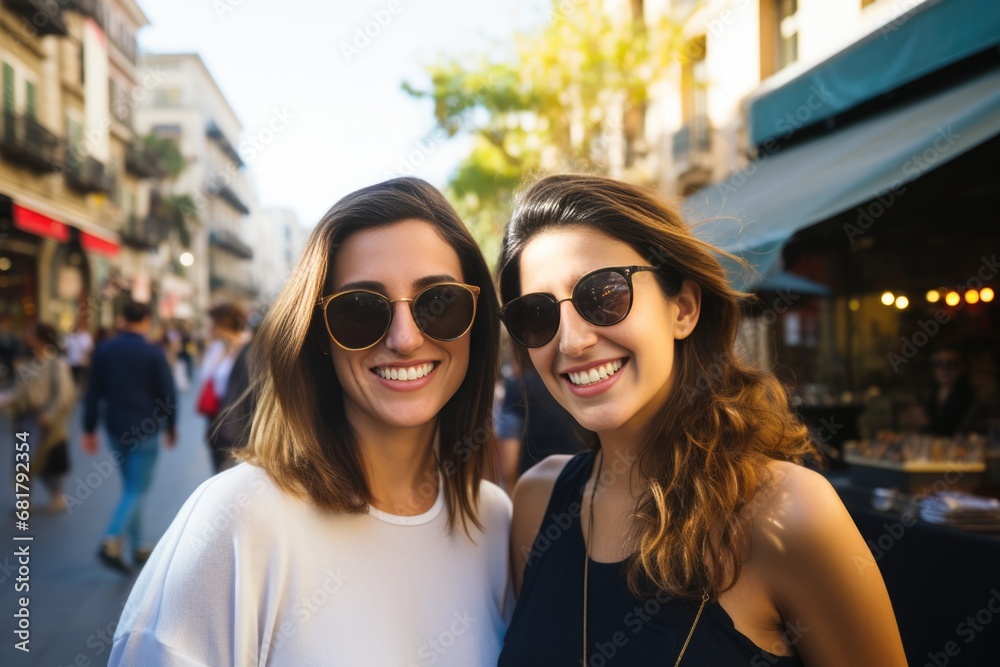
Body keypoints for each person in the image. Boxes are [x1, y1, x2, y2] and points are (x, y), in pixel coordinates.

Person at [496, 174, 906, 666]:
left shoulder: (790, 514)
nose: (572, 341)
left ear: (683, 309)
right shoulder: (536, 502)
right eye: (537, 314)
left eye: (604, 295)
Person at [108, 177, 511, 666]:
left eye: (439, 302)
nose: (404, 338)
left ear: (477, 321)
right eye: (360, 310)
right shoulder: (238, 521)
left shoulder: (495, 521)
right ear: (319, 333)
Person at [83, 301, 177, 573]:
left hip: (115, 427)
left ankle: (138, 545)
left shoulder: (104, 350)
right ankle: (111, 539)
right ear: (146, 319)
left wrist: (89, 428)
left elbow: (92, 393)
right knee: (137, 488)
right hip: (146, 428)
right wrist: (171, 427)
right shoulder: (153, 352)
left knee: (131, 488)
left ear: (122, 319)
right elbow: (167, 394)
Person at [0, 324, 75, 513]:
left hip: (47, 422)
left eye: (31, 333)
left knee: (47, 461)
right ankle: (25, 501)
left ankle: (56, 496)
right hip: (26, 419)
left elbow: (64, 394)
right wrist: (7, 400)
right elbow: (18, 393)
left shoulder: (56, 363)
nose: (26, 336)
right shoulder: (27, 364)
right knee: (22, 462)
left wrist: (50, 415)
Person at [197, 302, 248, 472]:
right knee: (219, 468)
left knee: (235, 470)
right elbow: (205, 376)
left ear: (224, 323)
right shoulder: (216, 347)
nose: (210, 329)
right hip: (216, 415)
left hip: (238, 416)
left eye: (213, 324)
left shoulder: (246, 345)